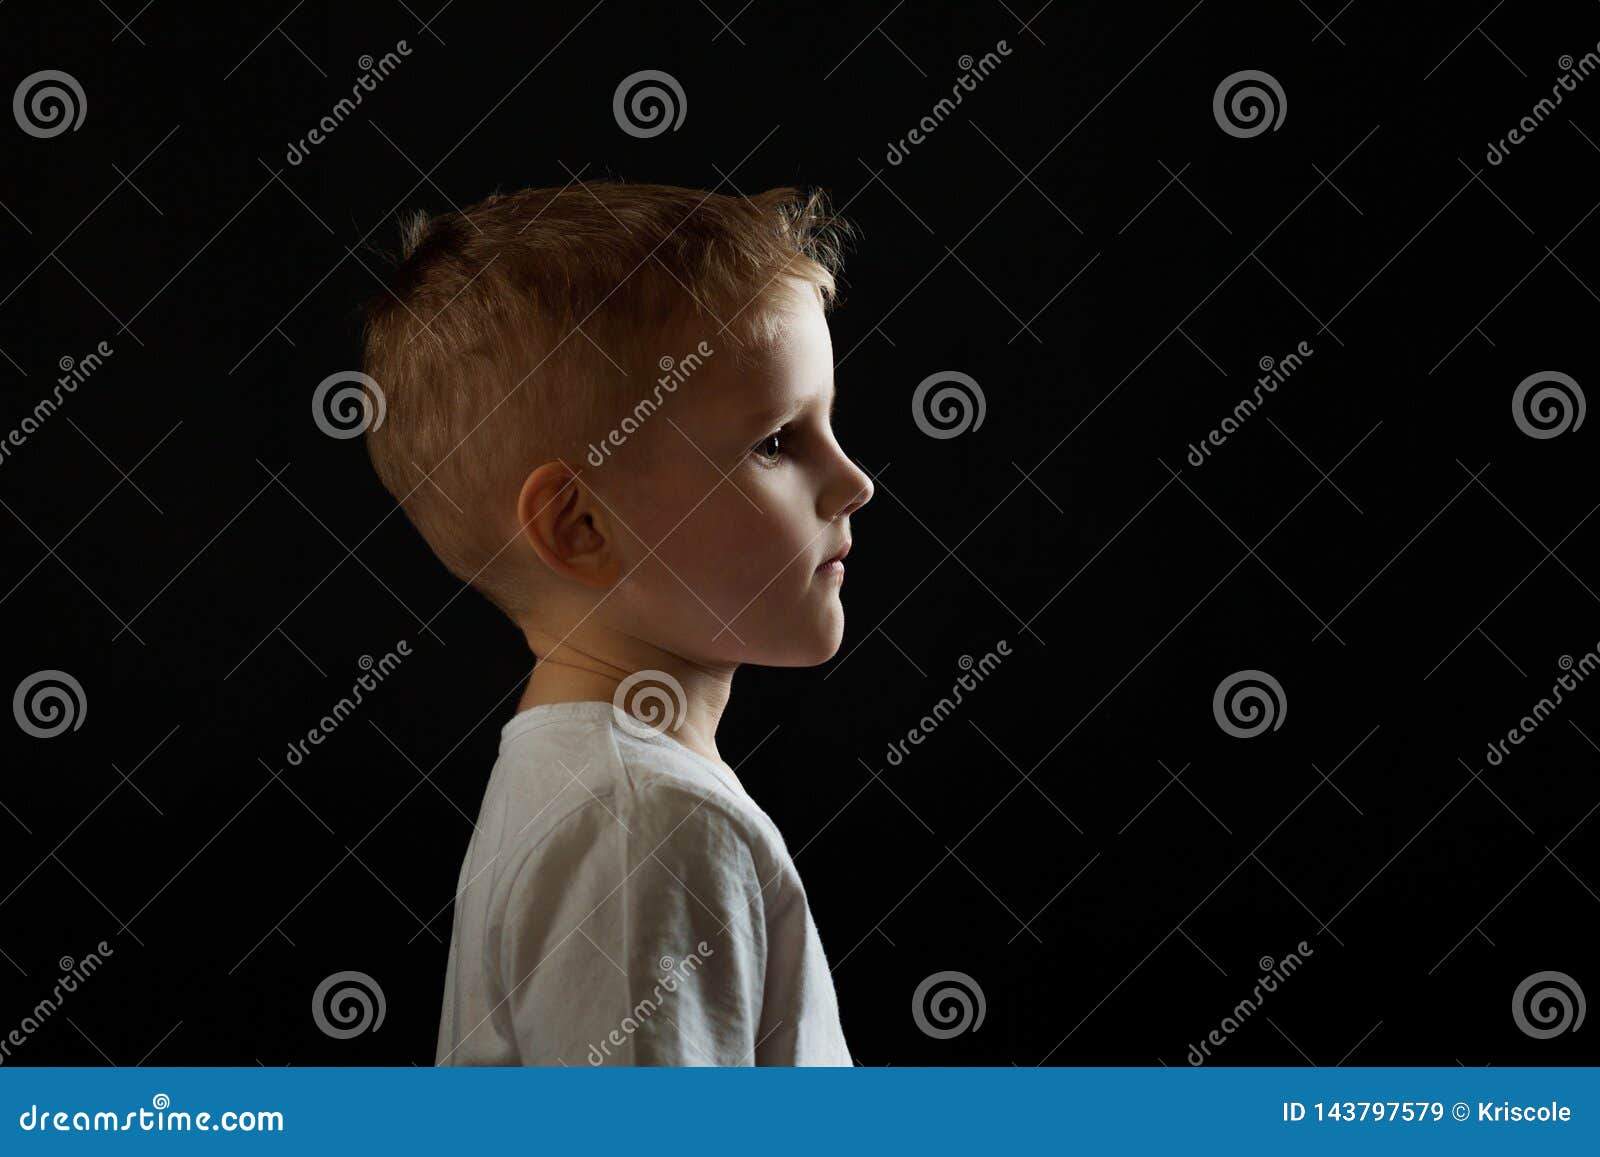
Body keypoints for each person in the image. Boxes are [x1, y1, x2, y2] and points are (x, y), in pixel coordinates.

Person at [359, 181, 874, 1065]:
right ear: (581, 526)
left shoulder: (586, 783)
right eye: (777, 442)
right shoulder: (649, 825)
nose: (854, 480)